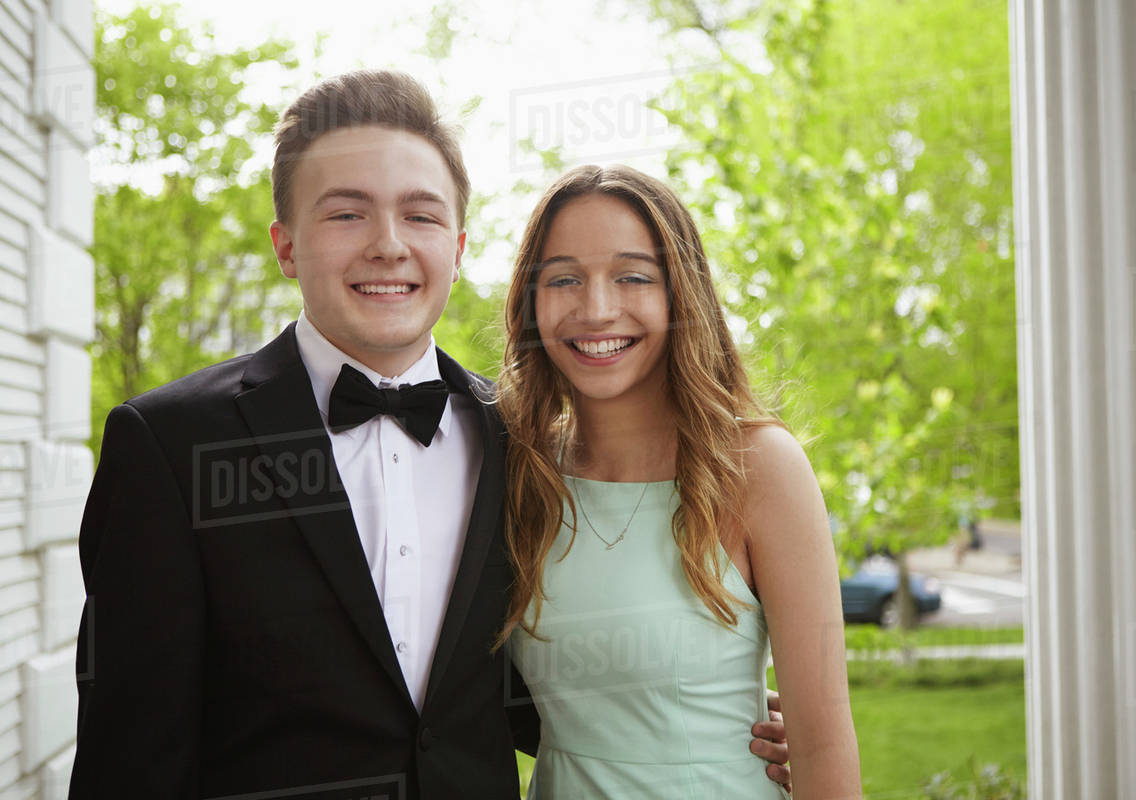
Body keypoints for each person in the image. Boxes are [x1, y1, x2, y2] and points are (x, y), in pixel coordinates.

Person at [69, 71, 788, 799]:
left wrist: (716, 710)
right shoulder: (170, 446)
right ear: (286, 247)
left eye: (420, 215)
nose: (389, 245)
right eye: (347, 215)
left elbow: (534, 687)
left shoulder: (521, 443)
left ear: (458, 244)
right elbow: (126, 757)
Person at [498, 165, 862, 798]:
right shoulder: (520, 469)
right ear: (531, 301)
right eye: (564, 279)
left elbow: (824, 744)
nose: (597, 308)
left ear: (680, 295)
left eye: (632, 276)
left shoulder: (758, 466)